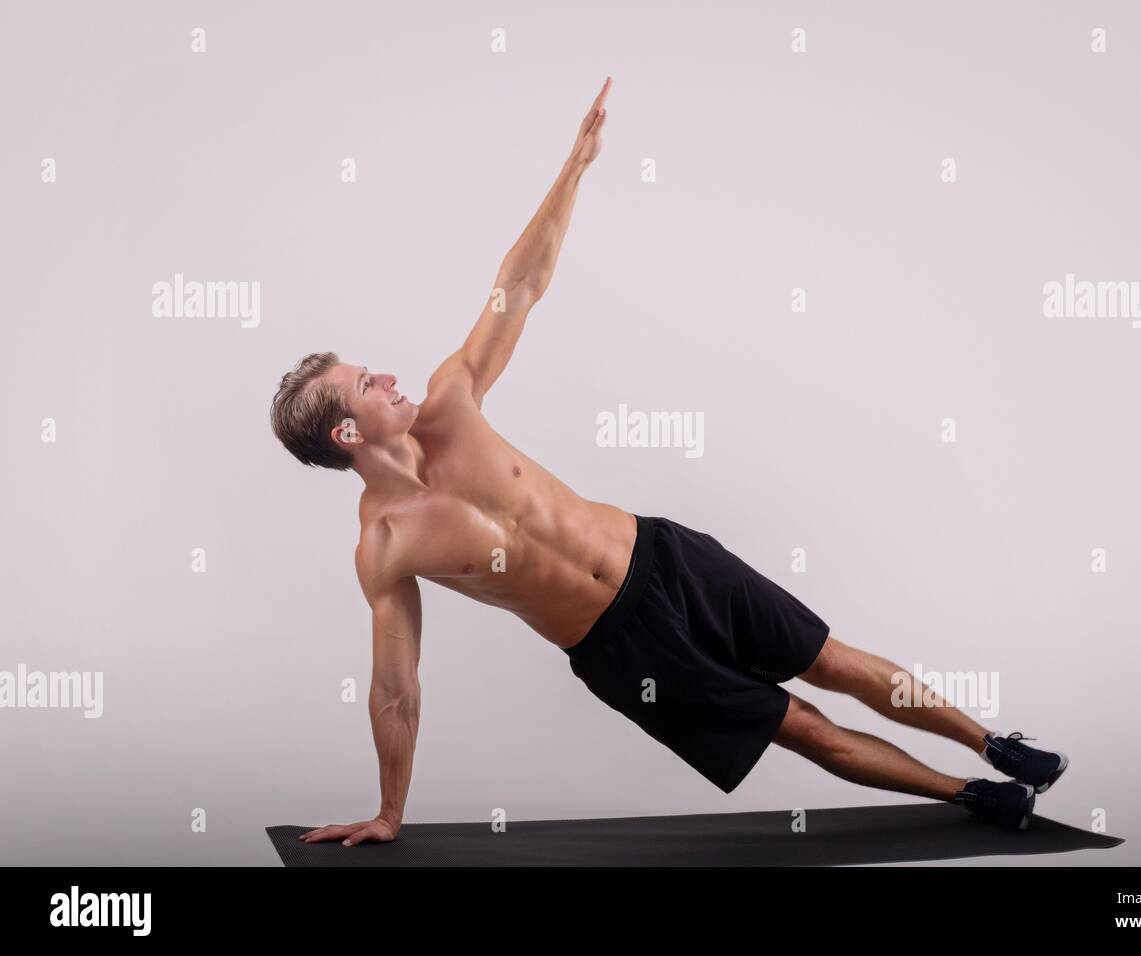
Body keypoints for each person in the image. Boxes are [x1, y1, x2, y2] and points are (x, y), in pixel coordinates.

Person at [269, 77, 1067, 847]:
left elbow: (519, 285)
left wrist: (574, 167)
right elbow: (396, 690)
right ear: (347, 434)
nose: (389, 377)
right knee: (803, 729)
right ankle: (974, 796)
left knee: (831, 661)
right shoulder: (385, 546)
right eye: (367, 384)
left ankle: (994, 745)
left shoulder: (452, 401)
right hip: (625, 649)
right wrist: (388, 811)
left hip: (665, 557)